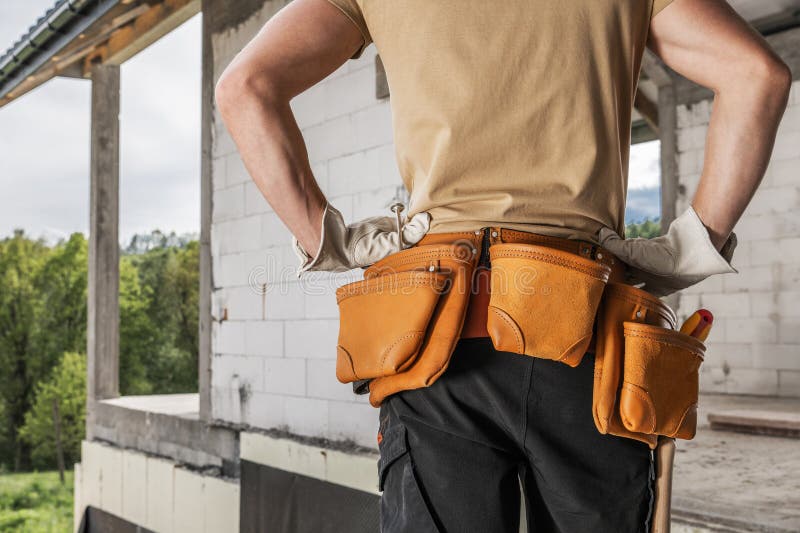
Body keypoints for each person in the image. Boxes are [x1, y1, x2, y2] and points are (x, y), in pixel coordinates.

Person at [215, 0, 791, 531]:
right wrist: (689, 248)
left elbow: (245, 87)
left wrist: (329, 239)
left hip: (439, 340)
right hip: (586, 335)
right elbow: (757, 75)